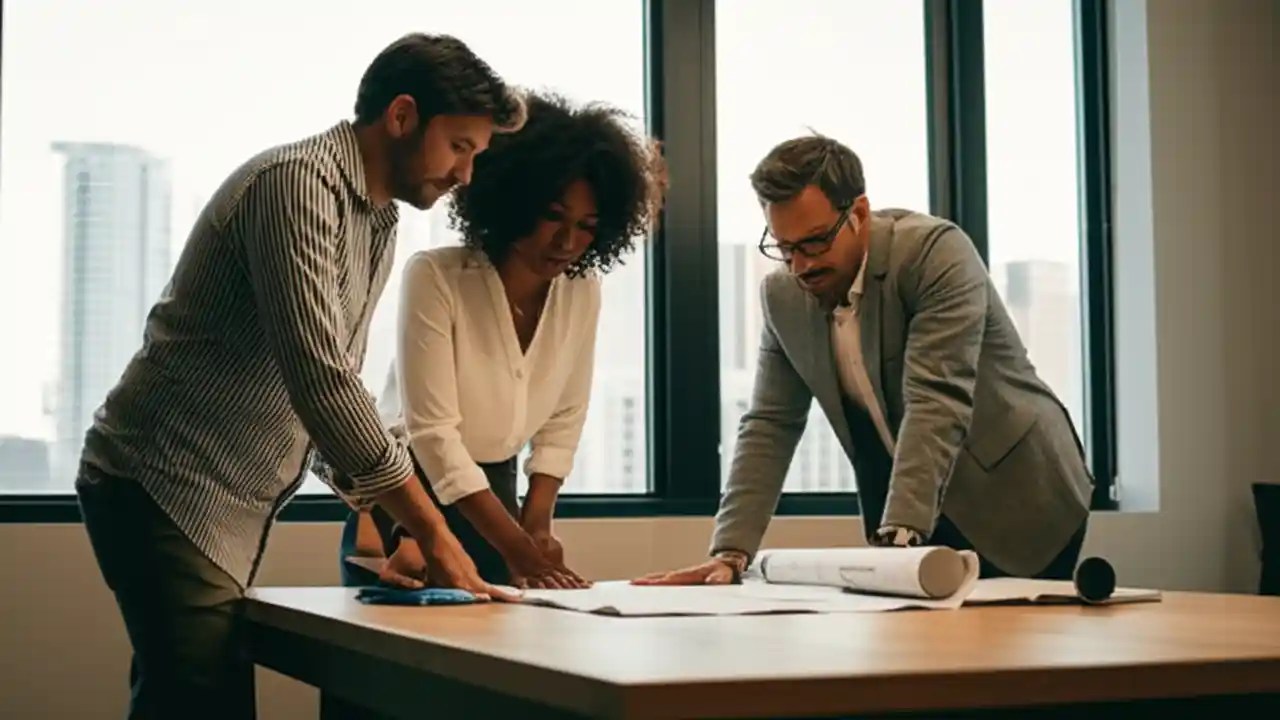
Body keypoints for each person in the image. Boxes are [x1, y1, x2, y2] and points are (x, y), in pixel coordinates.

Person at [73, 33, 526, 720]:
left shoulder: (374, 221)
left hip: (216, 498)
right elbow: (322, 380)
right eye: (460, 146)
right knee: (200, 702)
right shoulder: (295, 186)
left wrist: (382, 515)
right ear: (402, 116)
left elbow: (323, 391)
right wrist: (434, 532)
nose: (467, 173)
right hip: (162, 481)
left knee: (184, 698)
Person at [636, 134, 1093, 587]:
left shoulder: (934, 253)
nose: (800, 267)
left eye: (814, 243)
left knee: (1004, 647)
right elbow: (769, 424)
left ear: (857, 214)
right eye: (785, 247)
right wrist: (731, 553)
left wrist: (899, 539)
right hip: (911, 507)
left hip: (1020, 494)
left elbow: (936, 396)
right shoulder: (783, 297)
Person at [340, 90, 666, 591]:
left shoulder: (581, 291)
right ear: (515, 201)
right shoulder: (436, 276)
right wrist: (517, 546)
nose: (567, 242)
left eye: (587, 227)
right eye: (553, 216)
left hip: (496, 493)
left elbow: (563, 420)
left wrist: (536, 527)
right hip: (407, 501)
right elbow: (434, 437)